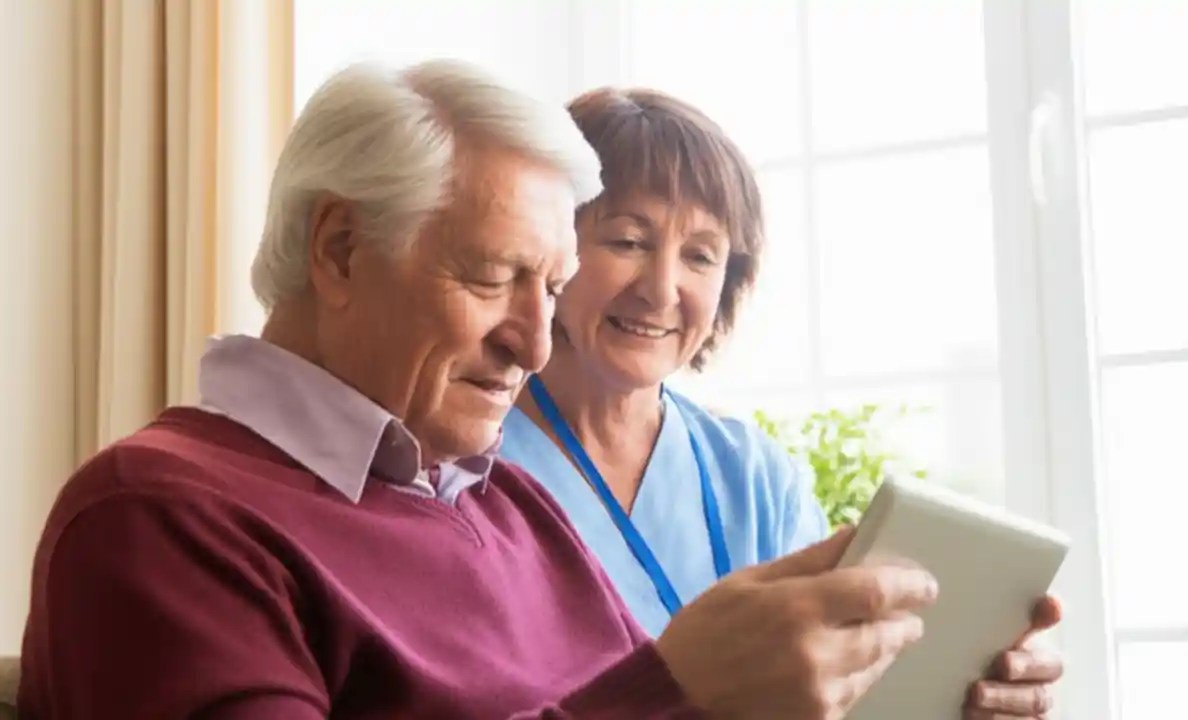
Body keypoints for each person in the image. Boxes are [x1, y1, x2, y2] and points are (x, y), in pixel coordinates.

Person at [18, 59, 940, 719]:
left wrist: (920, 695)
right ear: (340, 251)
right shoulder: (160, 518)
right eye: (495, 278)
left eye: (550, 287)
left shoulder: (511, 507)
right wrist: (674, 695)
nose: (535, 343)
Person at [500, 86, 1064, 718]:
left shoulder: (757, 477)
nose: (662, 290)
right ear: (551, 249)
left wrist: (962, 695)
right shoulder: (467, 466)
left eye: (700, 255)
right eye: (628, 241)